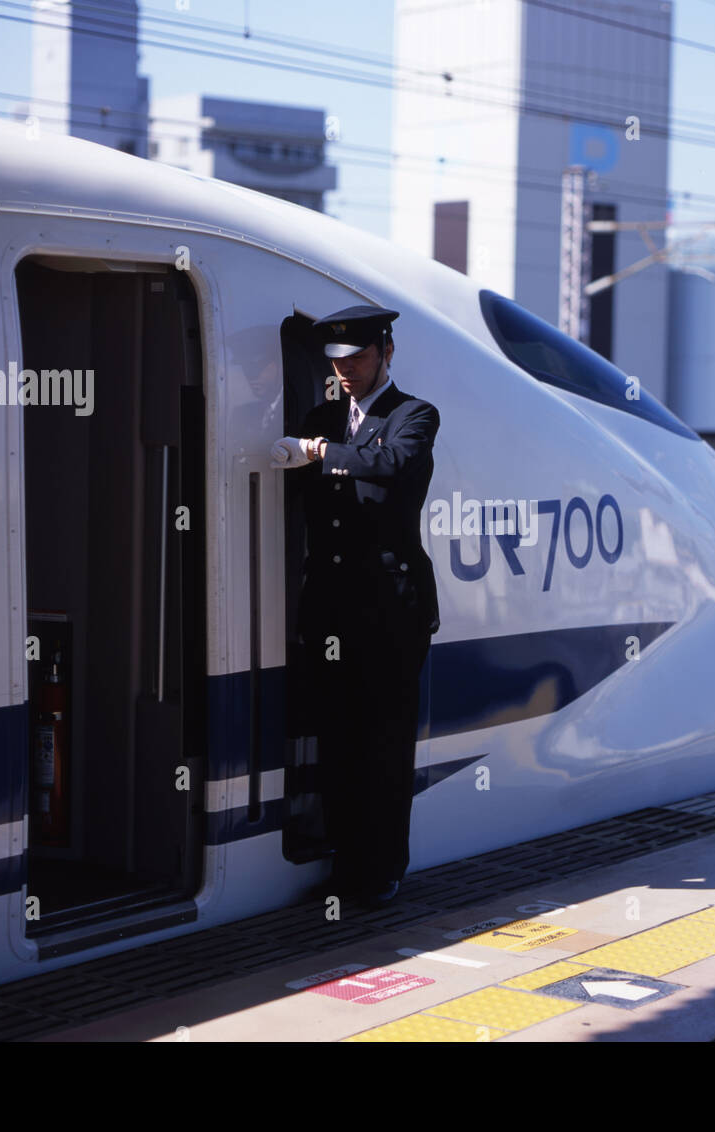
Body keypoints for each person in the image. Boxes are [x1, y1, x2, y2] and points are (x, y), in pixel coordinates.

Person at [270, 304, 440, 907]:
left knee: (385, 740)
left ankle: (382, 868)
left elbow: (392, 464)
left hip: (390, 604)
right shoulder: (321, 417)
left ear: (386, 353)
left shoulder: (412, 415)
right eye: (337, 362)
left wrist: (319, 454)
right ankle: (347, 862)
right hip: (331, 604)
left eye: (359, 359)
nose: (346, 372)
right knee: (339, 737)